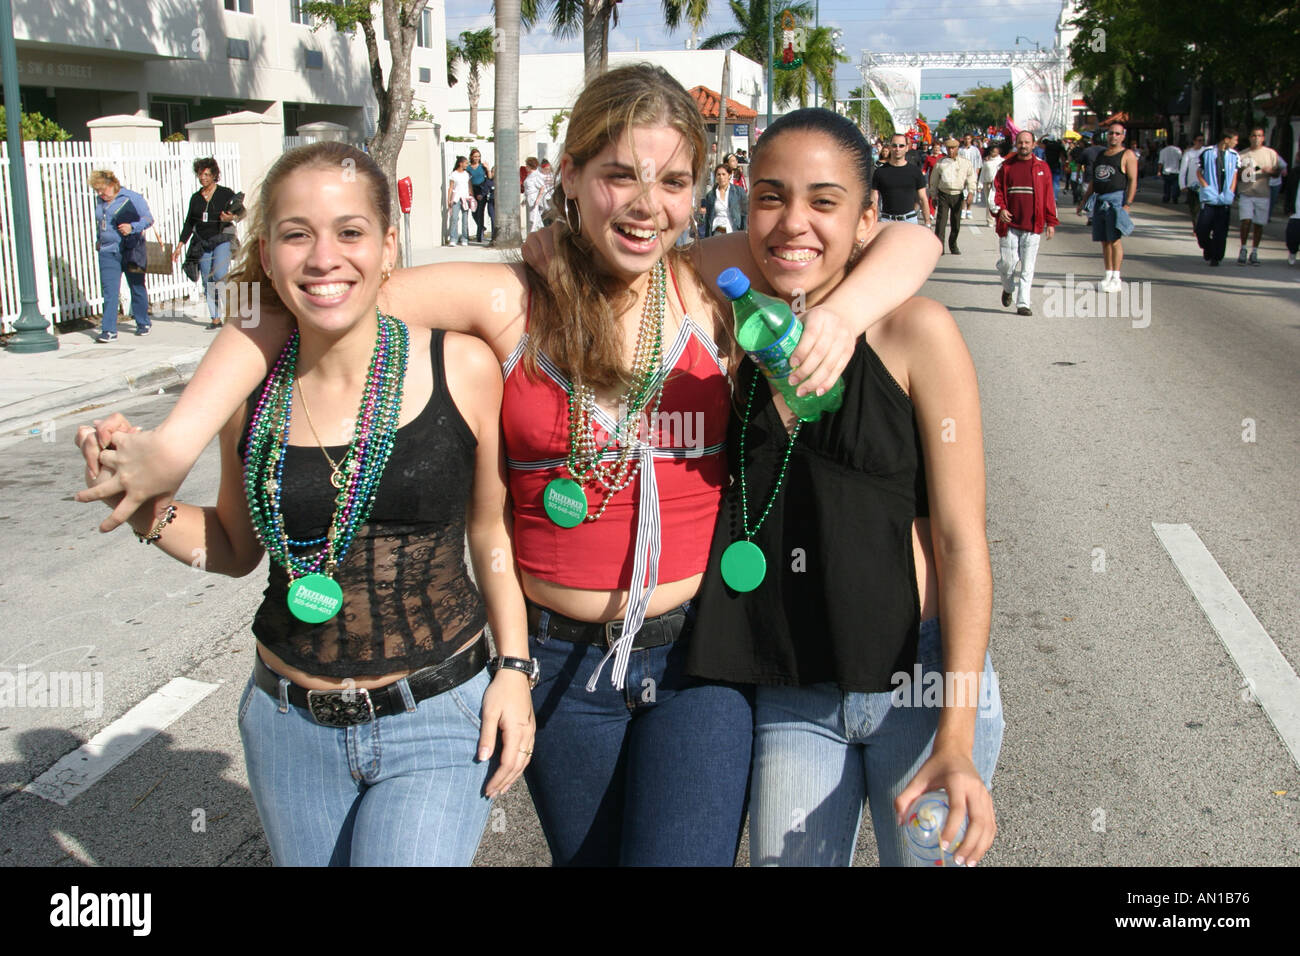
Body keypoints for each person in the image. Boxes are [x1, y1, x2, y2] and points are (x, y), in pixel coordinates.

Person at [77, 64, 943, 867]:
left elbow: (906, 241)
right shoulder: (509, 299)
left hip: (695, 666)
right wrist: (176, 446)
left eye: (673, 181)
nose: (645, 206)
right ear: (567, 176)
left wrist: (843, 317)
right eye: (618, 175)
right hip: (561, 665)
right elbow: (309, 305)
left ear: (698, 192)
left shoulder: (706, 283)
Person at [76, 142, 534, 866]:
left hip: (438, 714)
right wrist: (144, 508)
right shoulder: (247, 392)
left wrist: (514, 668)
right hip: (289, 724)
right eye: (297, 234)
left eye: (350, 232)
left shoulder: (462, 365)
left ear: (389, 247)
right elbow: (230, 548)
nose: (324, 257)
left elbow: (490, 532)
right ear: (268, 250)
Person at [687, 108, 1002, 867]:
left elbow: (962, 542)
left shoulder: (915, 332)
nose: (795, 220)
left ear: (866, 220)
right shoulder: (727, 324)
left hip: (918, 686)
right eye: (770, 195)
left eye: (824, 201)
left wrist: (955, 736)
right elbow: (665, 259)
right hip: (793, 683)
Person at [992, 130, 1058, 316]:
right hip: (1010, 225)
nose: (1023, 146)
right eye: (1020, 142)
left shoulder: (1042, 168)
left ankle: (1023, 303)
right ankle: (1008, 288)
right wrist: (1001, 209)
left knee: (1027, 267)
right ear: (1016, 143)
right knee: (1007, 264)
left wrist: (1050, 222)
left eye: (1027, 142)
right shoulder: (1006, 167)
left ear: (1033, 144)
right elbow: (996, 192)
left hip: (1033, 225)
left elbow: (1048, 197)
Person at [172, 157, 239, 330]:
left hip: (222, 238)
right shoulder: (196, 198)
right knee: (207, 280)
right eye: (201, 175)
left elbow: (240, 212)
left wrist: (230, 217)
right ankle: (215, 318)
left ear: (215, 175)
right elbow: (189, 222)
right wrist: (180, 244)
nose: (203, 178)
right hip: (202, 241)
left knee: (219, 275)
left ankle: (232, 315)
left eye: (207, 175)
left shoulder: (225, 193)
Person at [89, 169, 153, 342]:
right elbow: (101, 223)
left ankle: (143, 321)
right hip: (108, 251)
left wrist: (132, 227)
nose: (101, 194)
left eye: (103, 190)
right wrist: (98, 239)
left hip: (130, 248)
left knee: (136, 286)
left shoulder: (131, 197)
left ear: (113, 184)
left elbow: (148, 219)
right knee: (110, 292)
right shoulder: (100, 201)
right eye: (97, 191)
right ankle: (109, 330)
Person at [1075, 123, 1137, 291]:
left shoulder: (1127, 155)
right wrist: (1083, 202)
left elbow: (1132, 180)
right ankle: (1108, 273)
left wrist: (1127, 204)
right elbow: (1094, 181)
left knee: (1114, 240)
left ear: (1123, 136)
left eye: (1117, 133)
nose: (1114, 136)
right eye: (1111, 133)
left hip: (1115, 200)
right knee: (1104, 240)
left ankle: (1116, 276)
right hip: (1100, 200)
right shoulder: (1102, 154)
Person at [1195, 128, 1241, 267]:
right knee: (1202, 229)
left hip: (1224, 198)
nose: (1236, 143)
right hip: (1209, 198)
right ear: (1226, 140)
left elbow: (1234, 175)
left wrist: (1231, 191)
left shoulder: (1234, 155)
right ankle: (1207, 247)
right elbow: (1199, 171)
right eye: (1235, 140)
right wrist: (1206, 187)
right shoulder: (1207, 152)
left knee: (1220, 232)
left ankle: (1216, 256)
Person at [1235, 126, 1280, 265]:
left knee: (1259, 224)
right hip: (1246, 192)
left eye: (1259, 136)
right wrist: (1247, 172)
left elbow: (1278, 172)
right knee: (1246, 221)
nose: (1256, 138)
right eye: (1254, 135)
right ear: (1250, 138)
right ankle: (1243, 248)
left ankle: (1254, 251)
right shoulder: (1242, 154)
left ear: (1263, 138)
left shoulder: (1270, 154)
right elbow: (1238, 175)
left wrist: (1270, 171)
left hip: (1263, 193)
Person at [929, 137, 977, 255]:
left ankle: (953, 244)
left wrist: (971, 192)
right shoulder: (940, 163)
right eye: (949, 148)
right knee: (941, 223)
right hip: (943, 194)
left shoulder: (965, 163)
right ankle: (939, 247)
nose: (951, 151)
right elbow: (934, 180)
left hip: (957, 194)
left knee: (956, 223)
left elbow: (971, 178)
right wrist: (933, 196)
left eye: (953, 148)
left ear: (957, 148)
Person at [872, 133, 931, 226]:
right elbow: (874, 200)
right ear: (890, 147)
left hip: (909, 221)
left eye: (901, 146)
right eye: (894, 145)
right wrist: (872, 223)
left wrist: (927, 223)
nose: (898, 149)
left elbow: (923, 199)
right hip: (887, 221)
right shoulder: (880, 172)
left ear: (907, 148)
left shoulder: (915, 171)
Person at [699, 163, 747, 234]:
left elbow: (745, 213)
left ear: (729, 175)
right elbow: (708, 217)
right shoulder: (711, 195)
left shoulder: (739, 191)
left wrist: (744, 233)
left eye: (724, 174)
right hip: (718, 229)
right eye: (718, 174)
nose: (721, 177)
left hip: (734, 229)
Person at [1179, 133, 1207, 226]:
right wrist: (1182, 185)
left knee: (1203, 207)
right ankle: (1195, 226)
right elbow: (1183, 170)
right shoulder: (1189, 153)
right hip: (1192, 185)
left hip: (1204, 184)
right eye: (1199, 140)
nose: (1201, 143)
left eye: (1203, 140)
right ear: (1194, 141)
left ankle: (1201, 226)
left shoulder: (1206, 151)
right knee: (1194, 208)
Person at [467, 148, 492, 243]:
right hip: (473, 189)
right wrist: (471, 193)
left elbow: (489, 177)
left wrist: (488, 168)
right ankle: (482, 227)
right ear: (471, 157)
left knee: (480, 212)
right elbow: (467, 180)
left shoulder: (482, 167)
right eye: (475, 156)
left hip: (482, 190)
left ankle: (479, 236)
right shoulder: (468, 168)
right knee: (474, 212)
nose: (477, 158)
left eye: (478, 156)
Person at [446, 155, 471, 246]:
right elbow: (451, 187)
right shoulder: (454, 174)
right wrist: (449, 200)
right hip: (456, 198)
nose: (467, 165)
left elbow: (469, 186)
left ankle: (464, 238)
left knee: (465, 219)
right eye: (465, 163)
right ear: (460, 163)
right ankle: (453, 238)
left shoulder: (467, 174)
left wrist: (471, 196)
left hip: (465, 198)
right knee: (454, 218)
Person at [979, 144, 1005, 223]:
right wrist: (979, 184)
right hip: (988, 184)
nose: (993, 153)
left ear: (998, 152)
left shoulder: (1002, 161)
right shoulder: (987, 162)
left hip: (997, 185)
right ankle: (990, 220)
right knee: (988, 202)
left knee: (996, 202)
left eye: (995, 152)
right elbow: (982, 173)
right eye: (992, 151)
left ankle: (999, 218)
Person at [959, 135, 983, 219]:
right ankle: (963, 209)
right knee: (962, 192)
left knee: (971, 191)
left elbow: (979, 162)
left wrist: (976, 173)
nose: (967, 140)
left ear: (971, 139)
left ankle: (969, 210)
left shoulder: (975, 150)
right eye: (965, 138)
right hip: (962, 174)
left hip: (972, 173)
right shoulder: (960, 150)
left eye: (968, 139)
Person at [522, 156, 547, 234]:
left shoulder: (536, 176)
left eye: (527, 165)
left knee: (534, 219)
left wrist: (538, 199)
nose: (526, 167)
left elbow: (542, 187)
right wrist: (524, 199)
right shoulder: (530, 175)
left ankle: (532, 236)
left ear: (530, 166)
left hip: (534, 200)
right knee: (534, 219)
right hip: (529, 199)